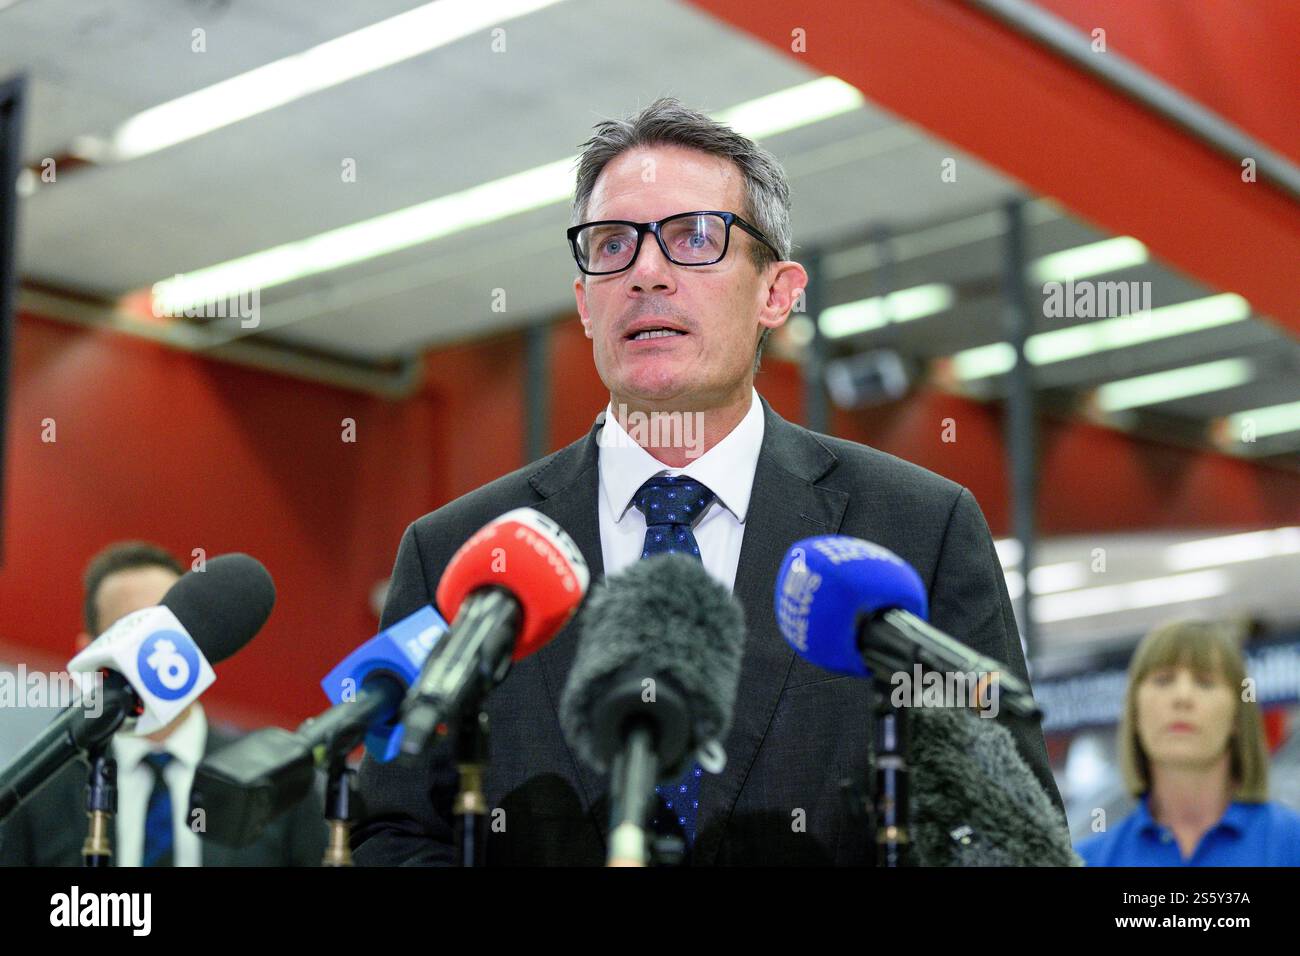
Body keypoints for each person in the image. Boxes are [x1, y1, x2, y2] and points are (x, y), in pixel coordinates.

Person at [352, 98, 1063, 866]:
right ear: (585, 303)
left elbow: (1002, 832)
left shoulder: (918, 530)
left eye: (694, 237)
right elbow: (393, 832)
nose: (645, 272)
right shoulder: (458, 554)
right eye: (612, 245)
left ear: (777, 293)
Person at [0, 541, 327, 866]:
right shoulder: (41, 791)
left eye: (170, 628)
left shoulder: (272, 781)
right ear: (90, 652)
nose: (158, 651)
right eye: (134, 630)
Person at [1075, 619, 1300, 866]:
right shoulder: (1086, 861)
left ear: (1237, 716)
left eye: (1205, 682)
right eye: (1163, 680)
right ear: (1135, 713)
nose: (1182, 697)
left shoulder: (1291, 846)